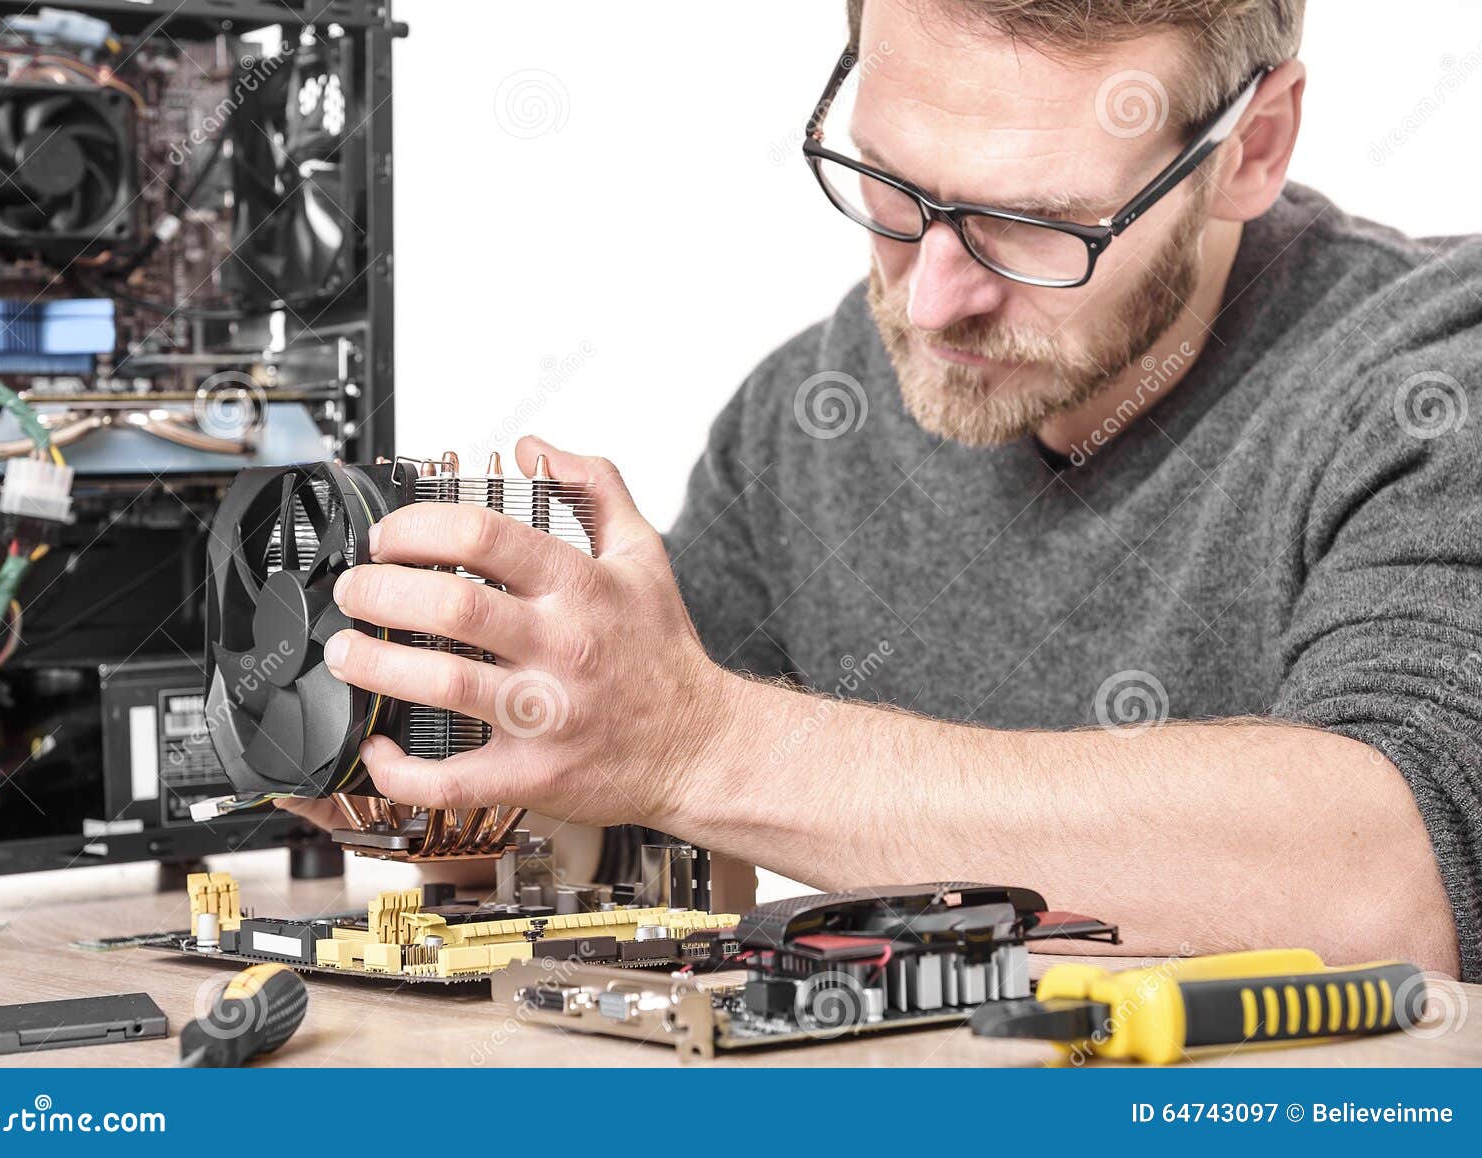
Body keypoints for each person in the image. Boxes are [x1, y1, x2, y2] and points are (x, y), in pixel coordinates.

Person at [298, 0, 1482, 979]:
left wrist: (699, 741)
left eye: (1034, 227)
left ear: (1253, 147)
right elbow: (673, 849)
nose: (929, 304)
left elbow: (1394, 879)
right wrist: (432, 766)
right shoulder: (809, 415)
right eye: (893, 192)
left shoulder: (1434, 381)